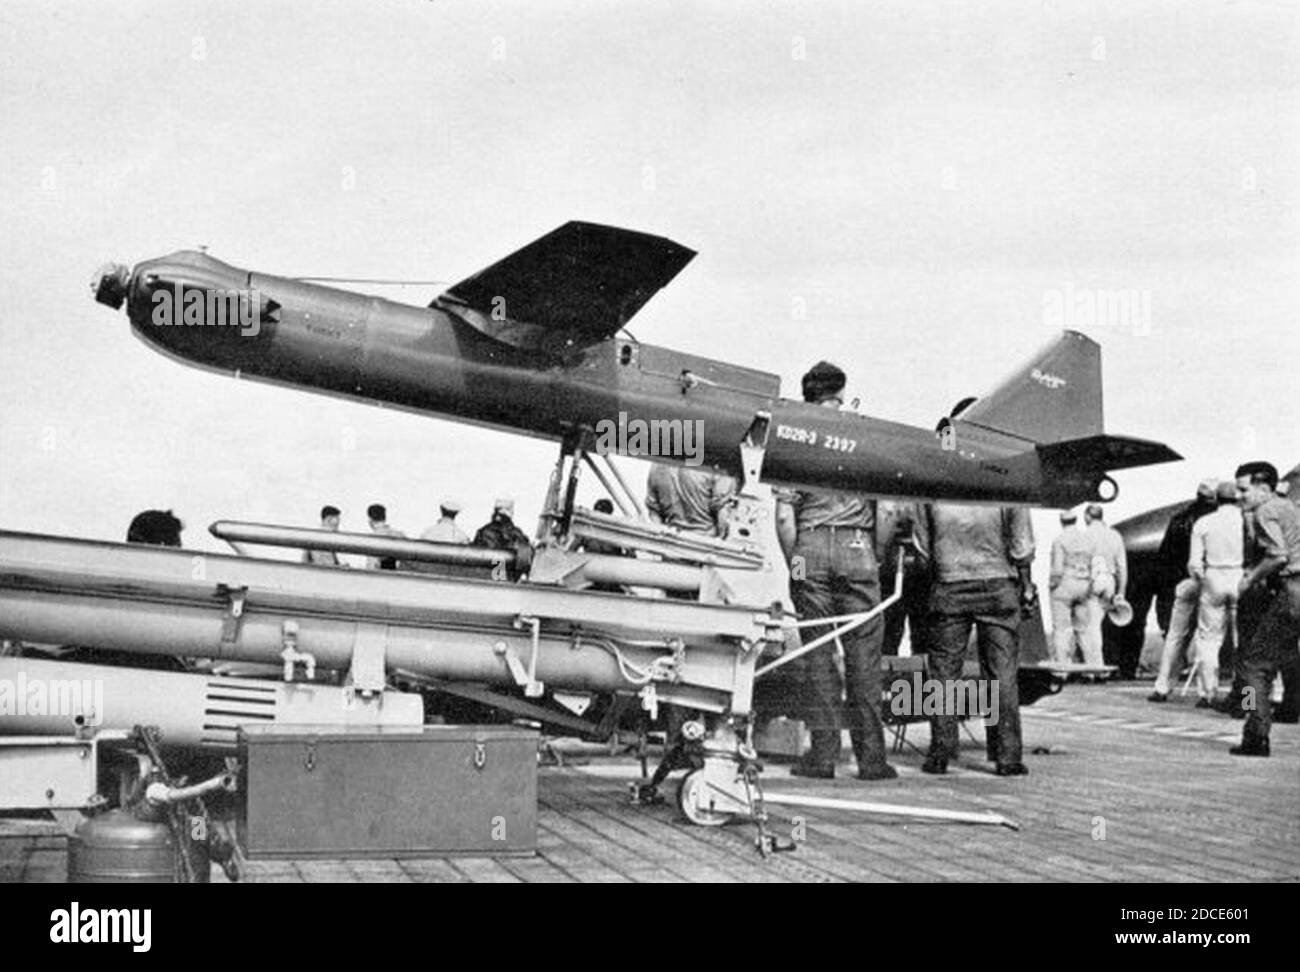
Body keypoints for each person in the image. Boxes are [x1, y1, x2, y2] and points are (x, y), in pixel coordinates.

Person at [775, 361, 895, 781]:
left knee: (819, 658)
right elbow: (889, 509)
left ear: (808, 394)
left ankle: (822, 757)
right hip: (859, 546)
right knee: (865, 659)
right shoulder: (863, 434)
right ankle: (872, 761)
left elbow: (785, 516)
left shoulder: (796, 434)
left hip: (809, 544)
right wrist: (873, 556)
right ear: (840, 393)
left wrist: (798, 562)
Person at [913, 502, 1036, 775]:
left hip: (948, 584)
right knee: (1001, 675)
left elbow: (922, 549)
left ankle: (940, 753)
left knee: (944, 675)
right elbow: (1022, 546)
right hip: (998, 584)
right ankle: (1007, 756)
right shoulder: (1005, 485)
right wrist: (1026, 585)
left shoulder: (932, 486)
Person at [1230, 462, 1300, 757]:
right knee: (1285, 656)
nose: (1238, 496)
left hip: (1291, 592)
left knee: (1251, 666)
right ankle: (1289, 707)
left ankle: (1254, 733)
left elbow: (1278, 555)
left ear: (1263, 488)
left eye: (1243, 489)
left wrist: (1250, 578)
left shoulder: (1263, 511)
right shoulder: (1288, 507)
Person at [1181, 481, 1243, 707]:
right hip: (1240, 577)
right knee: (1244, 642)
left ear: (1217, 499)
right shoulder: (1245, 520)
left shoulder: (1204, 523)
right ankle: (1246, 702)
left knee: (1208, 639)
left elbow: (1194, 564)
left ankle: (1208, 693)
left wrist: (1202, 582)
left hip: (1213, 577)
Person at [1049, 508, 1096, 664]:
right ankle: (1090, 668)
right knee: (1084, 629)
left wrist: (1052, 585)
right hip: (1084, 584)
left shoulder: (1060, 540)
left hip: (1065, 585)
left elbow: (1057, 569)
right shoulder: (1088, 540)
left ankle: (1062, 668)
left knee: (1062, 630)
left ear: (1061, 521)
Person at [645, 464, 735, 537]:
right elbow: (723, 515)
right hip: (705, 547)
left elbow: (654, 513)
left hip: (672, 546)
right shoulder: (716, 467)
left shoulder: (656, 467)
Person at [366, 503, 406, 570]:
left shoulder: (372, 539)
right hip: (399, 577)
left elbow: (371, 567)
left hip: (380, 577)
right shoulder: (399, 535)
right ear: (385, 518)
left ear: (370, 520)